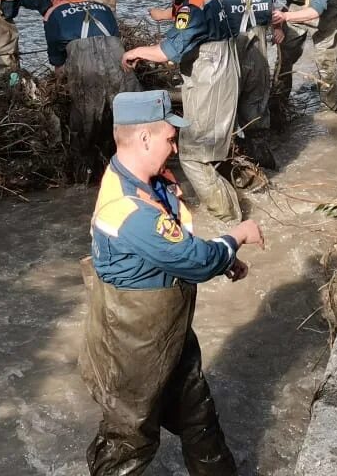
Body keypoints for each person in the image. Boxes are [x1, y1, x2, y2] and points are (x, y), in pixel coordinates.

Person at [79, 90, 265, 475]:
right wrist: (236, 237)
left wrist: (223, 260)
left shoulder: (143, 179)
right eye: (170, 137)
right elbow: (193, 259)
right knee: (129, 443)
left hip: (168, 334)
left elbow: (178, 246)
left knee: (199, 419)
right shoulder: (129, 210)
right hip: (132, 350)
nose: (175, 147)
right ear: (144, 138)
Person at [122, 0, 241, 223]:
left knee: (194, 156)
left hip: (212, 74)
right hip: (216, 69)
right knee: (210, 150)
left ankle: (228, 221)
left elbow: (167, 51)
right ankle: (236, 208)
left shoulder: (193, 3)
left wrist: (135, 51)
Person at [43, 0, 139, 182]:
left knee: (85, 124)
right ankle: (135, 169)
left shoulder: (54, 13)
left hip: (85, 69)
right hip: (119, 63)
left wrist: (61, 83)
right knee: (129, 117)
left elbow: (57, 60)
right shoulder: (102, 7)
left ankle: (84, 179)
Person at [207, 0, 276, 168]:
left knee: (226, 120)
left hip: (230, 66)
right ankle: (267, 171)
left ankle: (234, 170)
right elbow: (269, 19)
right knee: (257, 119)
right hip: (259, 62)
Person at [268, 0, 337, 113]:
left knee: (326, 64)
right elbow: (267, 0)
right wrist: (277, 27)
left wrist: (284, 17)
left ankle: (330, 109)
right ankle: (279, 105)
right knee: (284, 57)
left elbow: (316, 11)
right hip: (296, 4)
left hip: (325, 11)